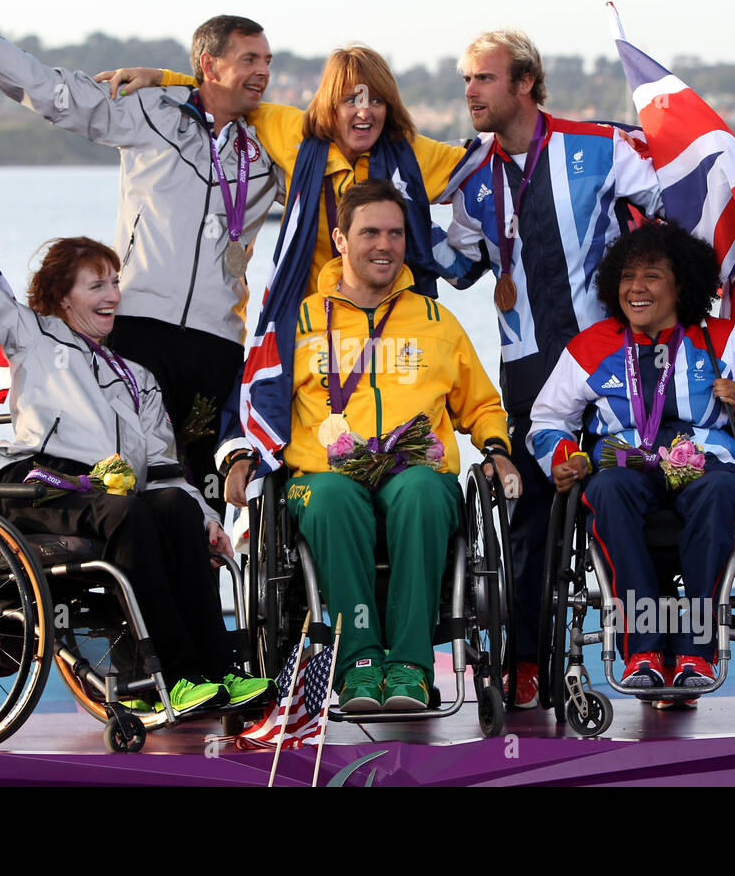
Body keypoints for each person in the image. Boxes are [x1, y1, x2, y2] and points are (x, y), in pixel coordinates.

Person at [0, 128, 273, 717]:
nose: (113, 293)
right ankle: (173, 673)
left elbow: (165, 468)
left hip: (117, 496)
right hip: (43, 487)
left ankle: (218, 671)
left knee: (174, 510)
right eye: (98, 284)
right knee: (132, 512)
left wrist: (209, 518)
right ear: (63, 298)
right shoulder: (31, 335)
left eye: (115, 281)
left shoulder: (138, 377)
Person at [0, 0, 280, 519]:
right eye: (249, 59)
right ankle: (129, 596)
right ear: (209, 64)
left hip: (218, 345)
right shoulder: (149, 113)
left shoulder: (269, 149)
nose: (263, 72)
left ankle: (200, 601)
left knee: (203, 500)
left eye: (268, 61)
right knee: (129, 488)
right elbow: (48, 89)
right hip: (140, 330)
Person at [219, 180, 518, 711]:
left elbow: (482, 406)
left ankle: (409, 668)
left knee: (423, 492)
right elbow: (251, 401)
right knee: (333, 497)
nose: (385, 244)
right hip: (324, 481)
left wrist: (496, 450)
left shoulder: (436, 321)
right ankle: (357, 664)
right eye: (370, 232)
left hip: (416, 475)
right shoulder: (297, 323)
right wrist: (240, 458)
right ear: (339, 239)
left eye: (396, 234)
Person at [434, 28, 664, 706]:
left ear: (525, 83)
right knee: (533, 516)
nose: (470, 91)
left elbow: (666, 213)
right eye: (466, 80)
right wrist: (407, 227)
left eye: (483, 78)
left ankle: (660, 649)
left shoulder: (598, 147)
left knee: (636, 493)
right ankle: (528, 659)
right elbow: (460, 267)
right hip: (528, 366)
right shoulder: (473, 175)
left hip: (612, 358)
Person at [527, 221, 735, 699]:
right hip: (625, 466)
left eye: (652, 276)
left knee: (719, 492)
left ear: (682, 286)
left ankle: (697, 649)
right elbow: (547, 420)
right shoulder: (594, 346)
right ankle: (644, 650)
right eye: (628, 276)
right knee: (607, 490)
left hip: (706, 464)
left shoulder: (722, 340)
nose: (636, 288)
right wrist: (564, 457)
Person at [98, 44, 467, 300]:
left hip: (395, 318)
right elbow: (223, 92)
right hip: (313, 319)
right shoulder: (293, 131)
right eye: (350, 100)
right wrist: (161, 77)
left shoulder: (412, 151)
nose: (364, 112)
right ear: (329, 103)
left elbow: (486, 165)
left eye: (376, 100)